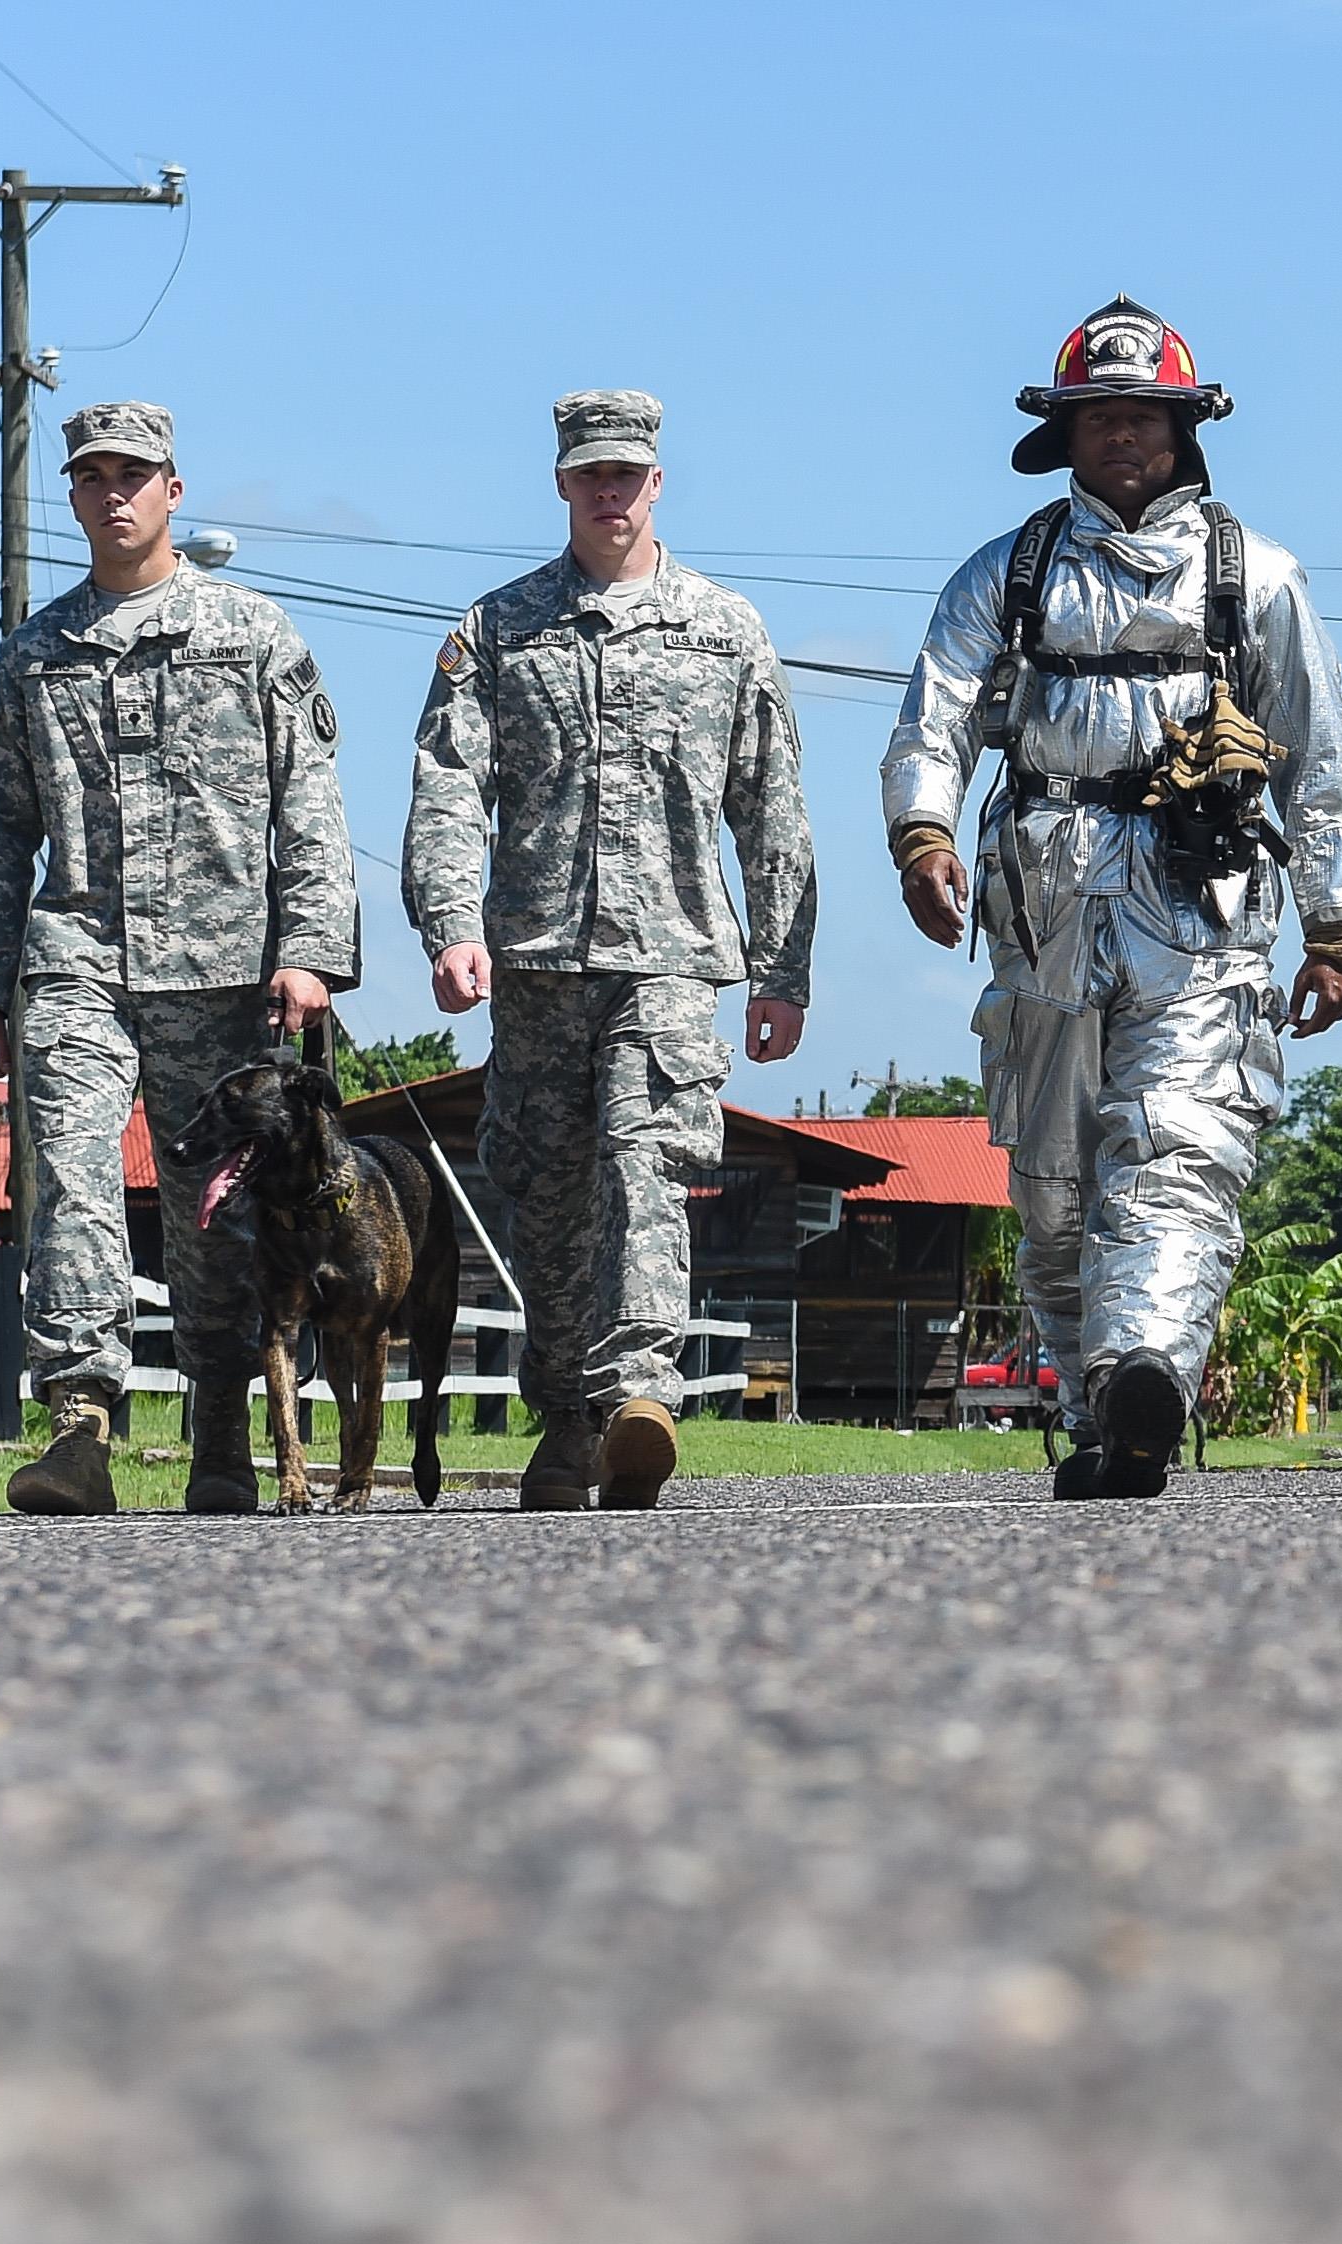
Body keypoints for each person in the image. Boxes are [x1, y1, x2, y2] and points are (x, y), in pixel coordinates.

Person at [885, 299, 1342, 1501]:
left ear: (1185, 426)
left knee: (1179, 1148)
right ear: (1064, 433)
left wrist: (1339, 925)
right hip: (1042, 909)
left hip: (1202, 914)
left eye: (1142, 416)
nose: (1121, 438)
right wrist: (922, 834)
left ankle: (1147, 1365)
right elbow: (935, 716)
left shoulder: (1258, 577)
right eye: (1098, 417)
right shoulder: (1006, 575)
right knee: (1054, 1193)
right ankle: (1099, 1397)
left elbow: (1321, 761)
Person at [0, 400, 356, 1516]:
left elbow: (310, 808)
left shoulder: (253, 635)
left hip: (224, 970)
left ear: (175, 488)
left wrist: (310, 951)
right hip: (79, 953)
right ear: (71, 496)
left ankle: (220, 1420)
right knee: (66, 1168)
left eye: (134, 473)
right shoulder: (35, 655)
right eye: (91, 477)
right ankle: (81, 1420)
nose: (112, 493)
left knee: (211, 1201)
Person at [407, 392, 814, 1513]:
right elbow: (448, 787)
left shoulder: (724, 629)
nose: (609, 492)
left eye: (628, 473)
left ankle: (640, 1391)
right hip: (534, 960)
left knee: (648, 1165)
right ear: (560, 483)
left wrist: (782, 967)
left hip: (673, 956)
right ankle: (567, 1413)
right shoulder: (499, 631)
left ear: (658, 482)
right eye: (591, 474)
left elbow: (769, 805)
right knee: (543, 1194)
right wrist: (448, 921)